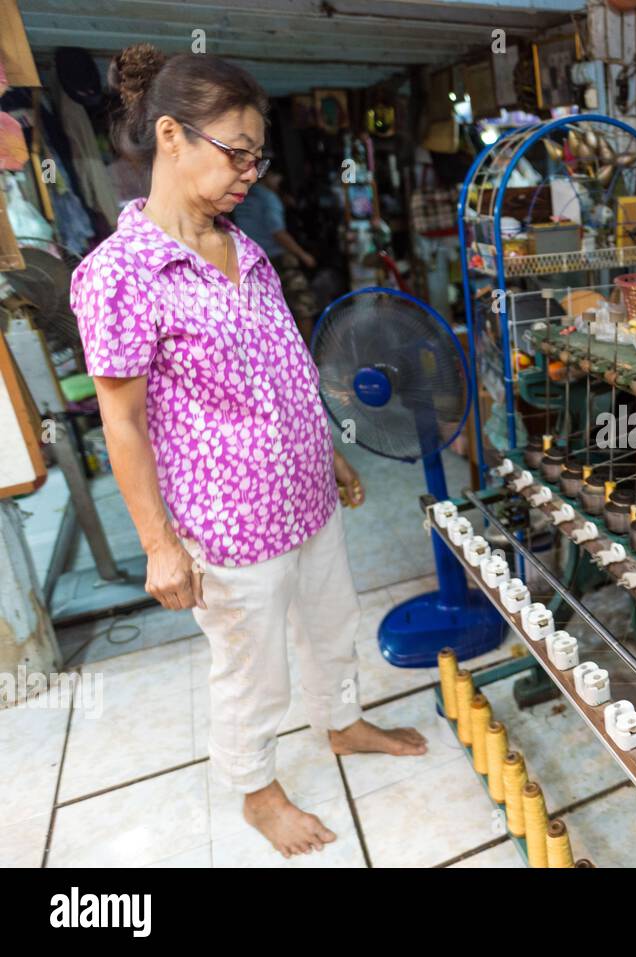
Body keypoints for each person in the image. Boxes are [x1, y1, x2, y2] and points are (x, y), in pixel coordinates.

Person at [69, 44, 427, 859]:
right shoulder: (120, 275)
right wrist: (159, 544)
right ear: (170, 136)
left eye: (257, 157)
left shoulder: (246, 249)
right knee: (251, 669)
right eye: (236, 153)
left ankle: (340, 722)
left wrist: (327, 450)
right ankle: (256, 789)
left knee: (332, 626)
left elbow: (286, 358)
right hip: (228, 530)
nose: (250, 174)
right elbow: (121, 424)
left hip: (305, 496)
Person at [232, 168, 320, 343]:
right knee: (303, 306)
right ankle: (308, 354)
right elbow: (278, 232)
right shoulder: (269, 198)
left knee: (263, 313)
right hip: (277, 258)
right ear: (268, 177)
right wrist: (303, 256)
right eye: (277, 175)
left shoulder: (242, 198)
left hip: (249, 261)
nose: (279, 180)